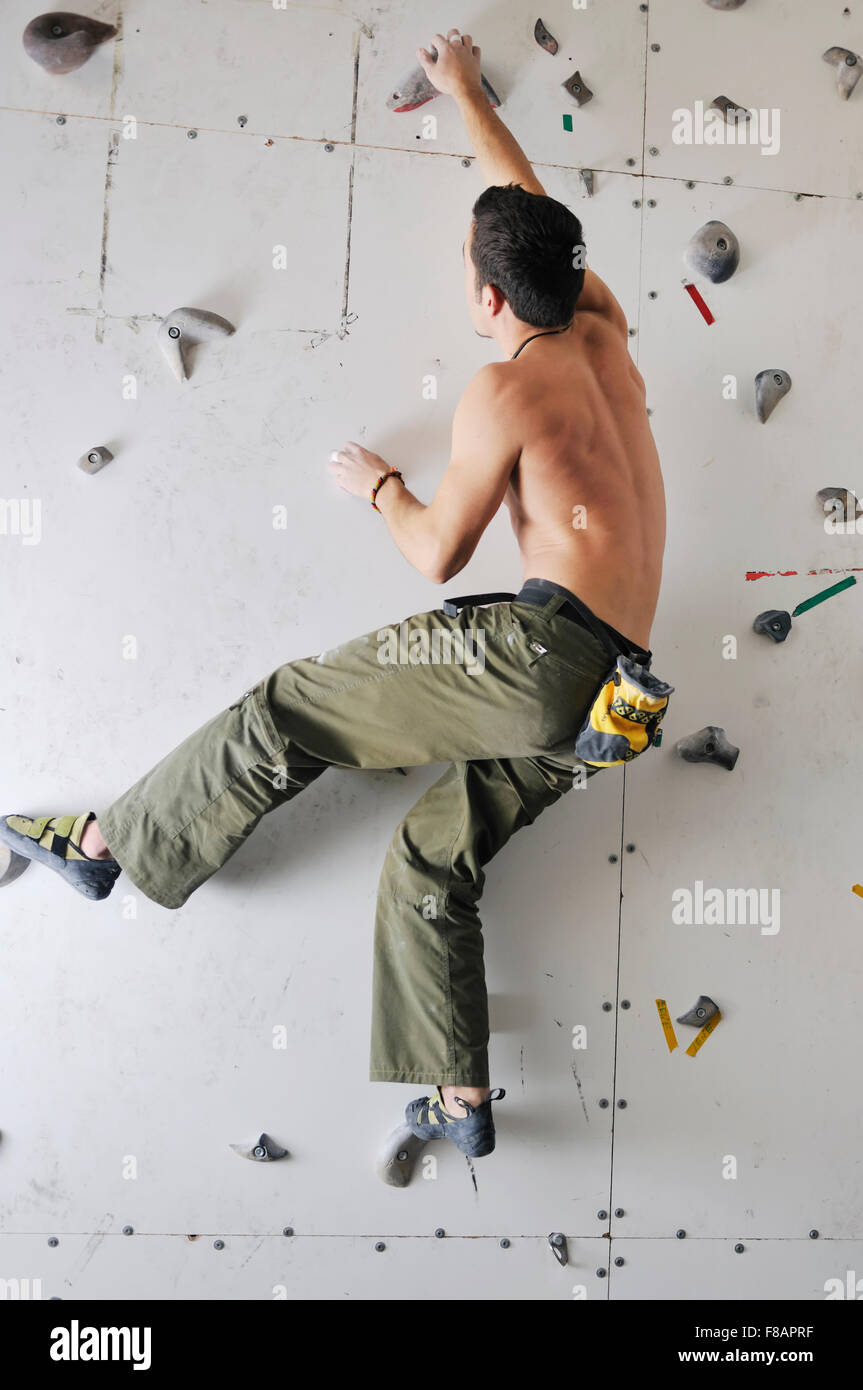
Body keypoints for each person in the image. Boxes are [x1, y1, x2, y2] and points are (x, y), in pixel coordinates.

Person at [1, 29, 666, 1161]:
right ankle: (458, 1102)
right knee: (428, 864)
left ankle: (114, 844)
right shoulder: (596, 316)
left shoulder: (506, 389)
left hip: (530, 656)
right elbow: (519, 193)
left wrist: (381, 488)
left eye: (469, 266)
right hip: (618, 696)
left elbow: (437, 554)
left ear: (485, 289)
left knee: (288, 711)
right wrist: (462, 89)